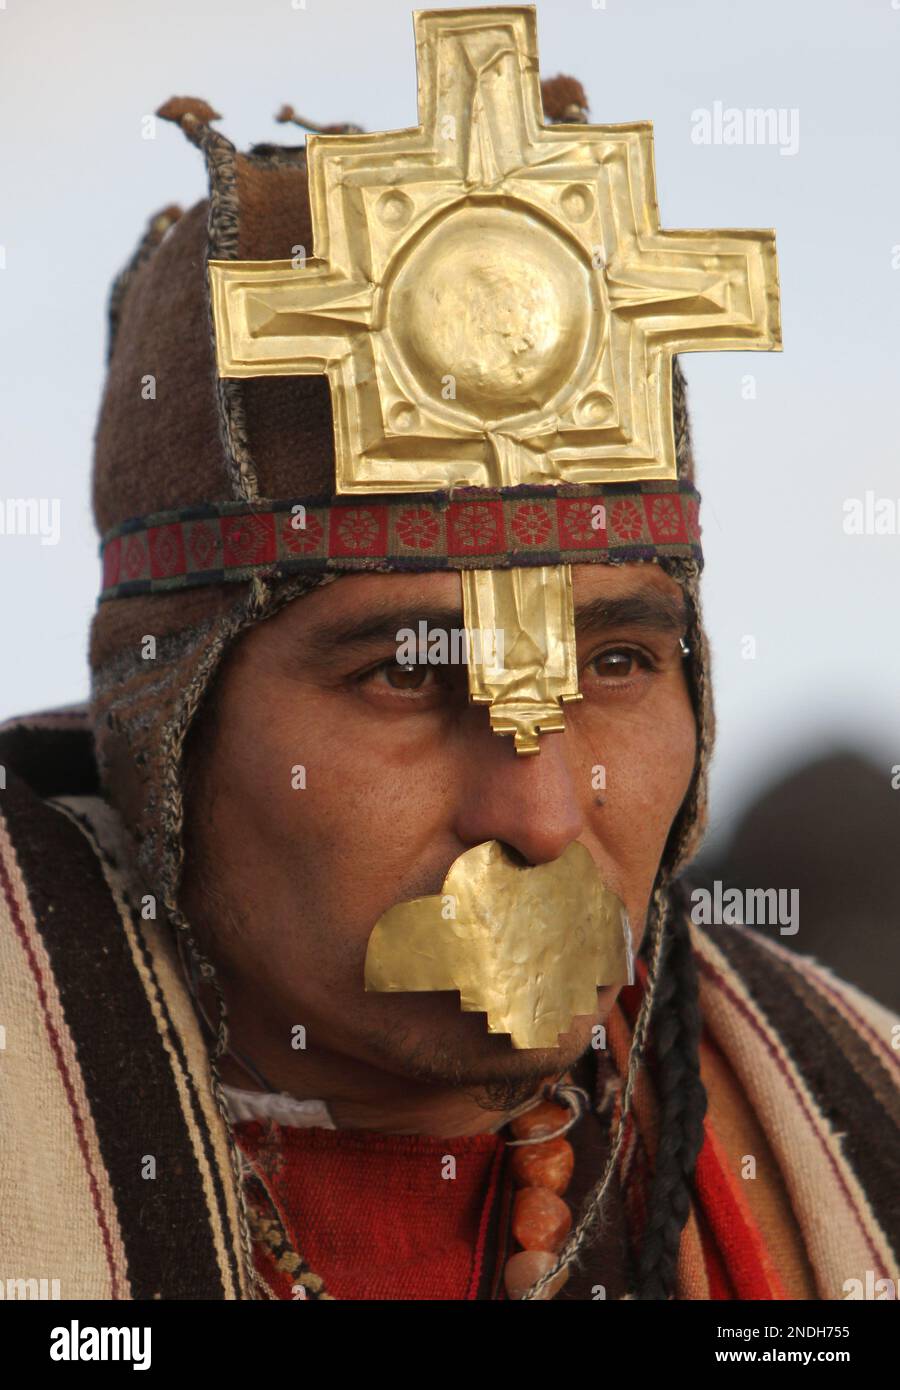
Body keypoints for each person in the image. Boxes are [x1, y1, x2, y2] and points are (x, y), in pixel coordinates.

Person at [1, 7, 897, 1302]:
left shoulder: (845, 1143)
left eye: (619, 663)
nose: (539, 813)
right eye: (407, 676)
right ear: (162, 723)